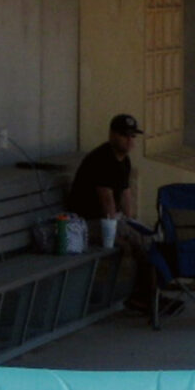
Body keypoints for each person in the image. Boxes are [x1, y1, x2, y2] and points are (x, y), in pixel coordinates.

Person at [67, 113, 158, 312]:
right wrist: (120, 231)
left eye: (133, 136)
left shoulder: (124, 161)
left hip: (108, 220)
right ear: (112, 135)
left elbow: (126, 195)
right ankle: (144, 297)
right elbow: (106, 200)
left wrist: (131, 222)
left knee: (149, 239)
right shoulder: (102, 159)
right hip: (87, 223)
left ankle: (149, 295)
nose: (130, 140)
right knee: (138, 243)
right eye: (125, 135)